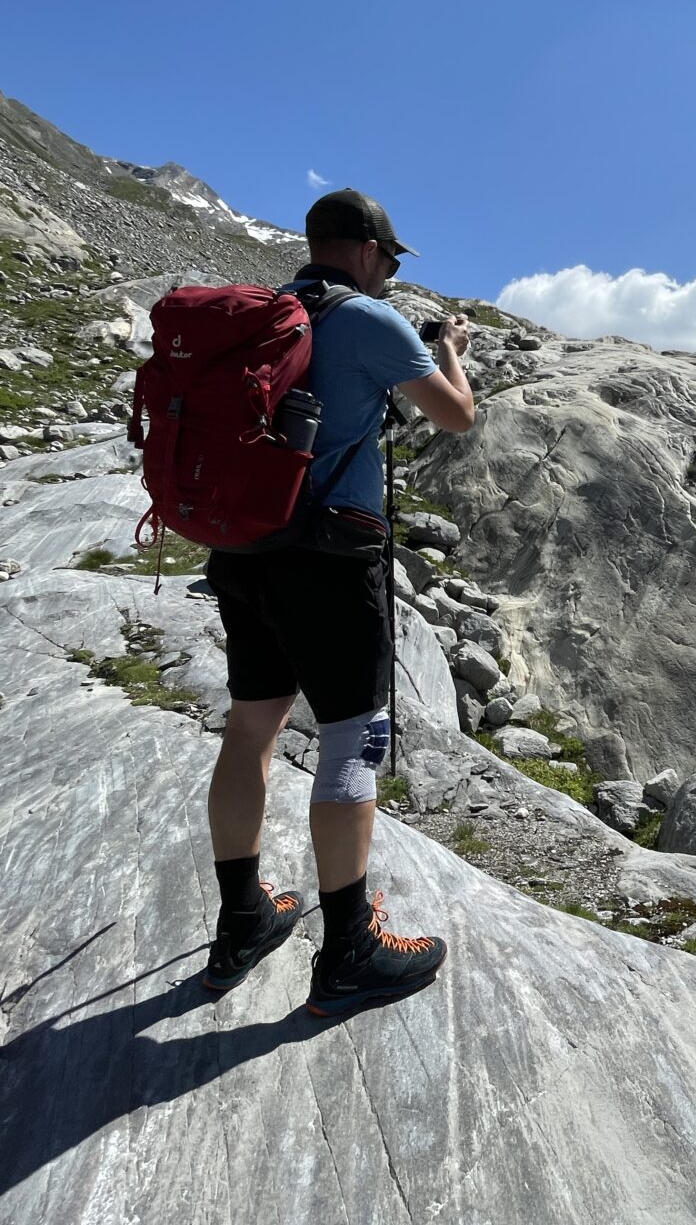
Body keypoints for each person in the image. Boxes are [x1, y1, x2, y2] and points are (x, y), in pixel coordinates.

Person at [198, 188, 476, 1015]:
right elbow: (457, 418)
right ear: (362, 248)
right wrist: (451, 349)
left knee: (251, 725)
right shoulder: (369, 321)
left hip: (242, 551)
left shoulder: (264, 313)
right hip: (327, 563)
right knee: (353, 739)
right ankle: (350, 951)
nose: (389, 273)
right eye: (389, 259)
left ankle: (243, 918)